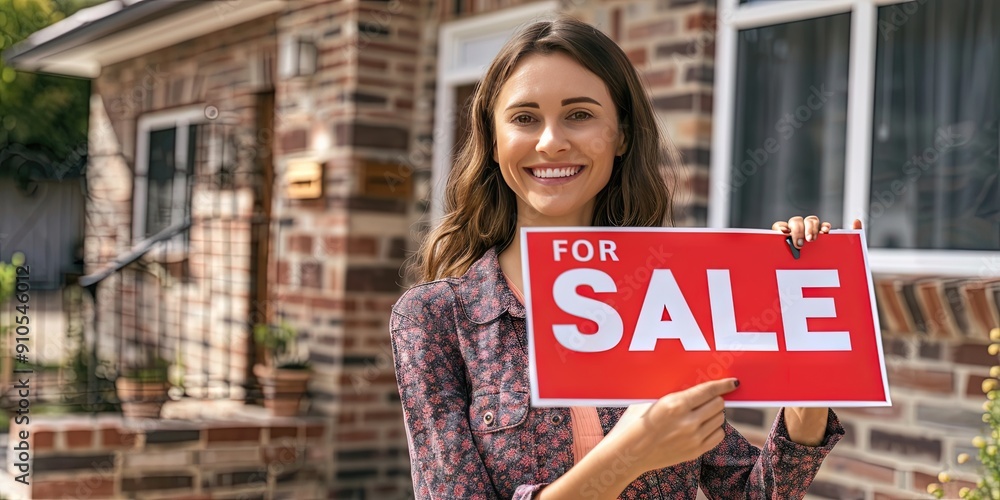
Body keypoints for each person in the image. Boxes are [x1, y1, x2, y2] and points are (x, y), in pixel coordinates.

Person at [390, 15, 848, 499]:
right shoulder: (436, 319)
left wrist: (807, 392)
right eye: (525, 118)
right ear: (494, 136)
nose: (551, 141)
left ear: (622, 134)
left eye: (580, 114)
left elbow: (750, 494)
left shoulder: (665, 296)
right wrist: (631, 454)